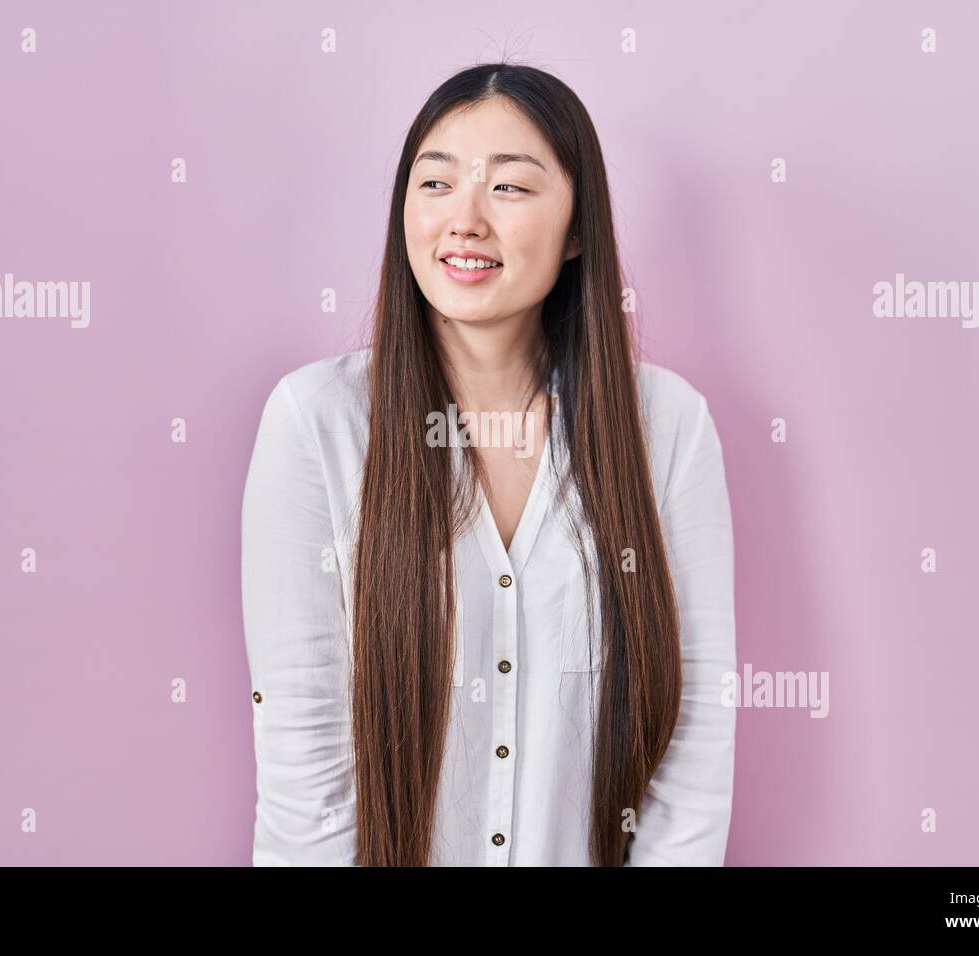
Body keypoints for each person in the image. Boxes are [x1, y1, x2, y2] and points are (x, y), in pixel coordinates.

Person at [241, 62, 736, 866]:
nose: (464, 220)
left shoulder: (667, 427)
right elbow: (307, 770)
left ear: (579, 230)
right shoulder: (316, 425)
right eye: (435, 183)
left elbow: (694, 743)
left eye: (509, 189)